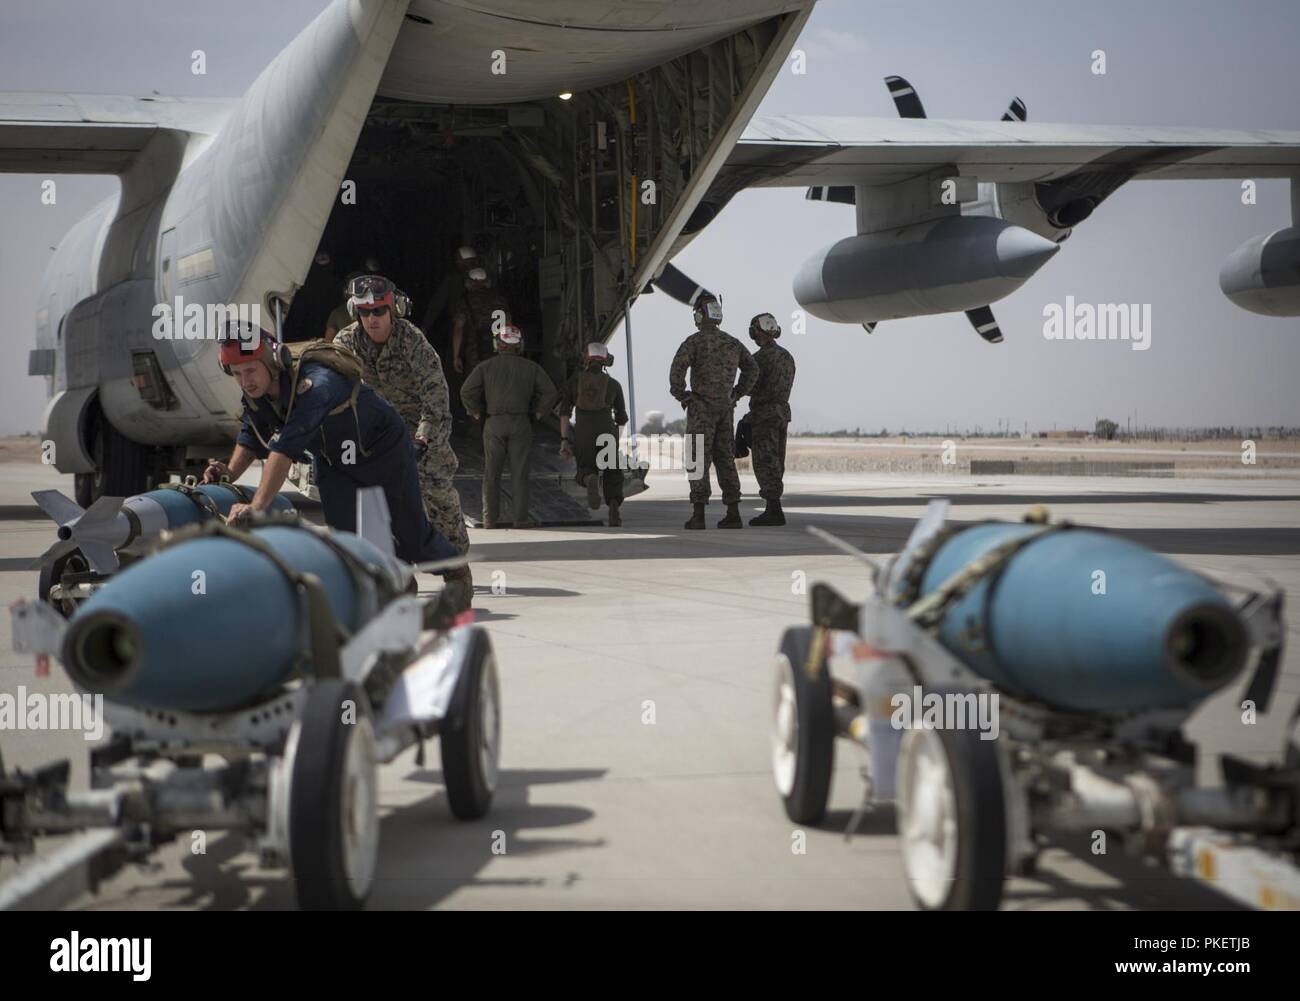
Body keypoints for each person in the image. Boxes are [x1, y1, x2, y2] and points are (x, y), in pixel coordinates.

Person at [204, 322, 463, 609]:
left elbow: (285, 447)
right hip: (335, 460)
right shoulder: (259, 394)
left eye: (250, 370)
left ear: (272, 362)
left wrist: (256, 507)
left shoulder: (317, 383)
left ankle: (456, 572)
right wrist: (227, 474)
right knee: (345, 537)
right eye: (237, 374)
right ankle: (397, 581)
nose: (245, 381)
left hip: (384, 449)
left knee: (409, 529)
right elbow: (251, 434)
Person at [333, 274, 474, 609]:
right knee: (377, 511)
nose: (372, 319)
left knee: (438, 501)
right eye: (365, 313)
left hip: (421, 433)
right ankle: (399, 578)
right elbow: (332, 389)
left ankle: (456, 572)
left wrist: (423, 437)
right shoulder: (346, 343)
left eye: (379, 312)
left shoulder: (412, 342)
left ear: (392, 310)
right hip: (376, 437)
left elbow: (436, 396)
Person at [668, 292, 758, 529]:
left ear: (699, 315)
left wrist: (682, 395)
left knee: (698, 459)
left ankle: (698, 515)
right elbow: (753, 369)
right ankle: (733, 512)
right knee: (725, 459)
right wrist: (737, 393)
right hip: (725, 410)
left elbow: (677, 369)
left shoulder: (694, 342)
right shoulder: (733, 342)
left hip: (701, 409)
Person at [460, 324, 556, 529]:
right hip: (521, 423)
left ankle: (489, 519)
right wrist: (539, 412)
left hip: (493, 423)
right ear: (519, 345)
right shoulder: (531, 368)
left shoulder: (485, 367)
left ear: (498, 344)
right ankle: (520, 519)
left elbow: (466, 391)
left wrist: (475, 411)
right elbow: (550, 392)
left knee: (491, 474)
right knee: (519, 473)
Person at [558, 342, 629, 526]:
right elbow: (621, 418)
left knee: (585, 467)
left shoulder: (574, 381)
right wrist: (615, 439)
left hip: (583, 432)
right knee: (613, 473)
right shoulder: (613, 384)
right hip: (607, 430)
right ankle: (614, 509)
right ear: (606, 360)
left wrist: (565, 440)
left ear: (586, 359)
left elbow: (565, 413)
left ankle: (590, 478)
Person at [743, 313, 796, 526]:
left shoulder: (758, 358)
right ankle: (773, 507)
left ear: (756, 332)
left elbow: (749, 387)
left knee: (764, 462)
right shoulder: (787, 356)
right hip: (782, 413)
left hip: (764, 415)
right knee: (777, 460)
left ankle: (773, 510)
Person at [451, 266, 509, 376]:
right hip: (500, 353)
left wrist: (455, 356)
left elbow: (458, 329)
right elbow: (509, 327)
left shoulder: (465, 301)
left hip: (475, 355)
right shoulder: (500, 300)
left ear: (469, 282)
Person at [323, 271, 363, 342]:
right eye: (353, 287)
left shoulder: (374, 310)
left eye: (359, 287)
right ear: (346, 291)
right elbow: (328, 342)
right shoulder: (337, 314)